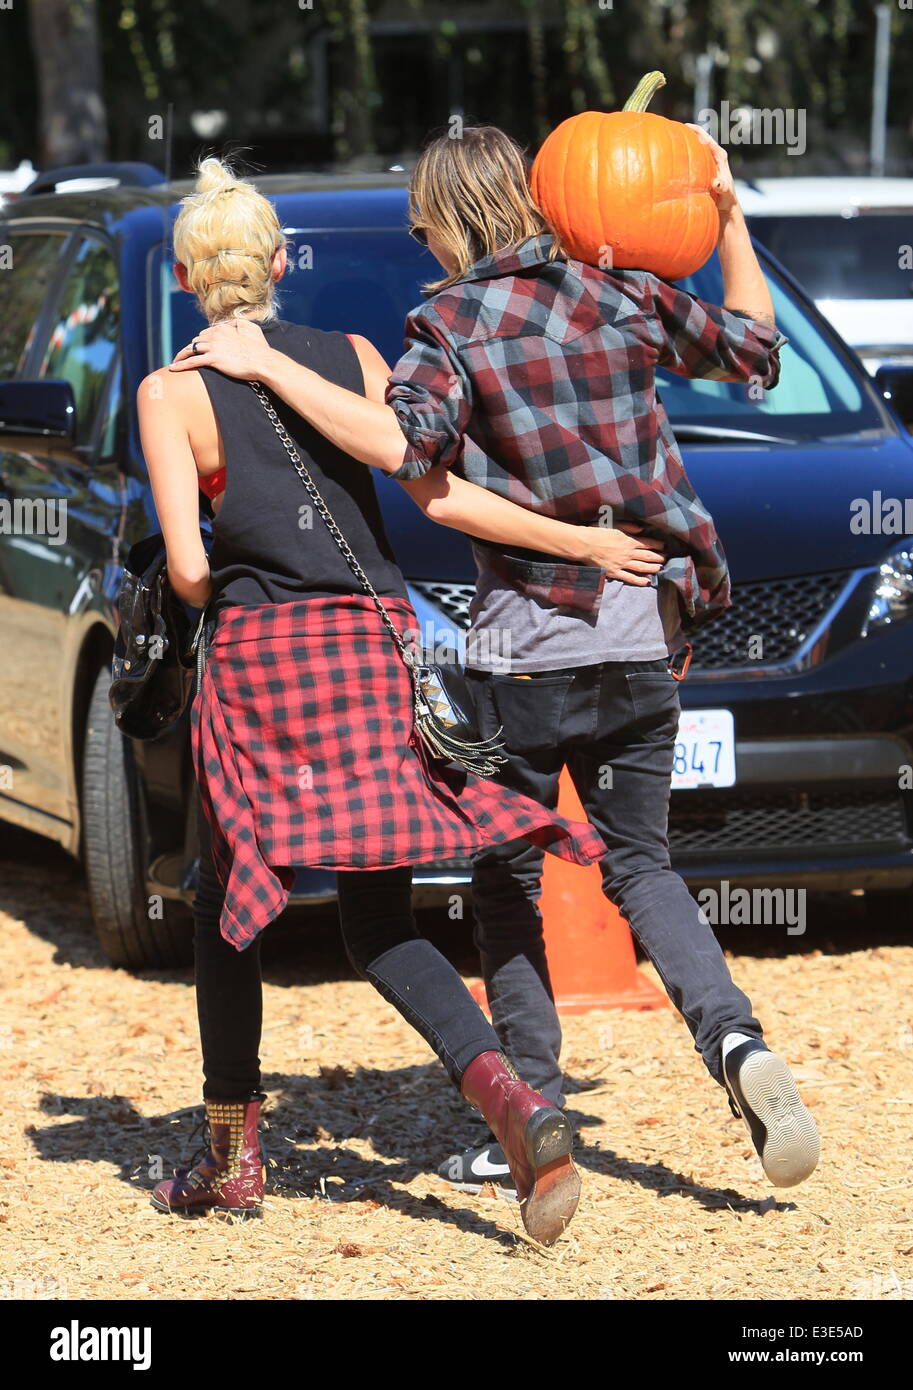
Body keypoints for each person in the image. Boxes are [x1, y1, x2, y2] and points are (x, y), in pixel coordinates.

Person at [173, 125, 820, 1203]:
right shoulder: (616, 290)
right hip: (641, 628)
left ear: (443, 218)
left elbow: (398, 447)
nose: (416, 233)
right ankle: (739, 1046)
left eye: (421, 217)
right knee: (643, 867)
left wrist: (261, 359)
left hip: (522, 643)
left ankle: (529, 1099)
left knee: (507, 876)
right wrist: (731, 214)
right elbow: (757, 353)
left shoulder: (447, 324)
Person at [137, 155, 653, 1245]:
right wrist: (578, 540)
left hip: (261, 665)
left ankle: (231, 1157)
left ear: (189, 276)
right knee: (377, 918)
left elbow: (189, 571)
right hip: (373, 650)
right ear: (282, 264)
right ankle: (510, 1098)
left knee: (223, 901)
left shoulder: (169, 393)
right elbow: (437, 489)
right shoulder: (359, 357)